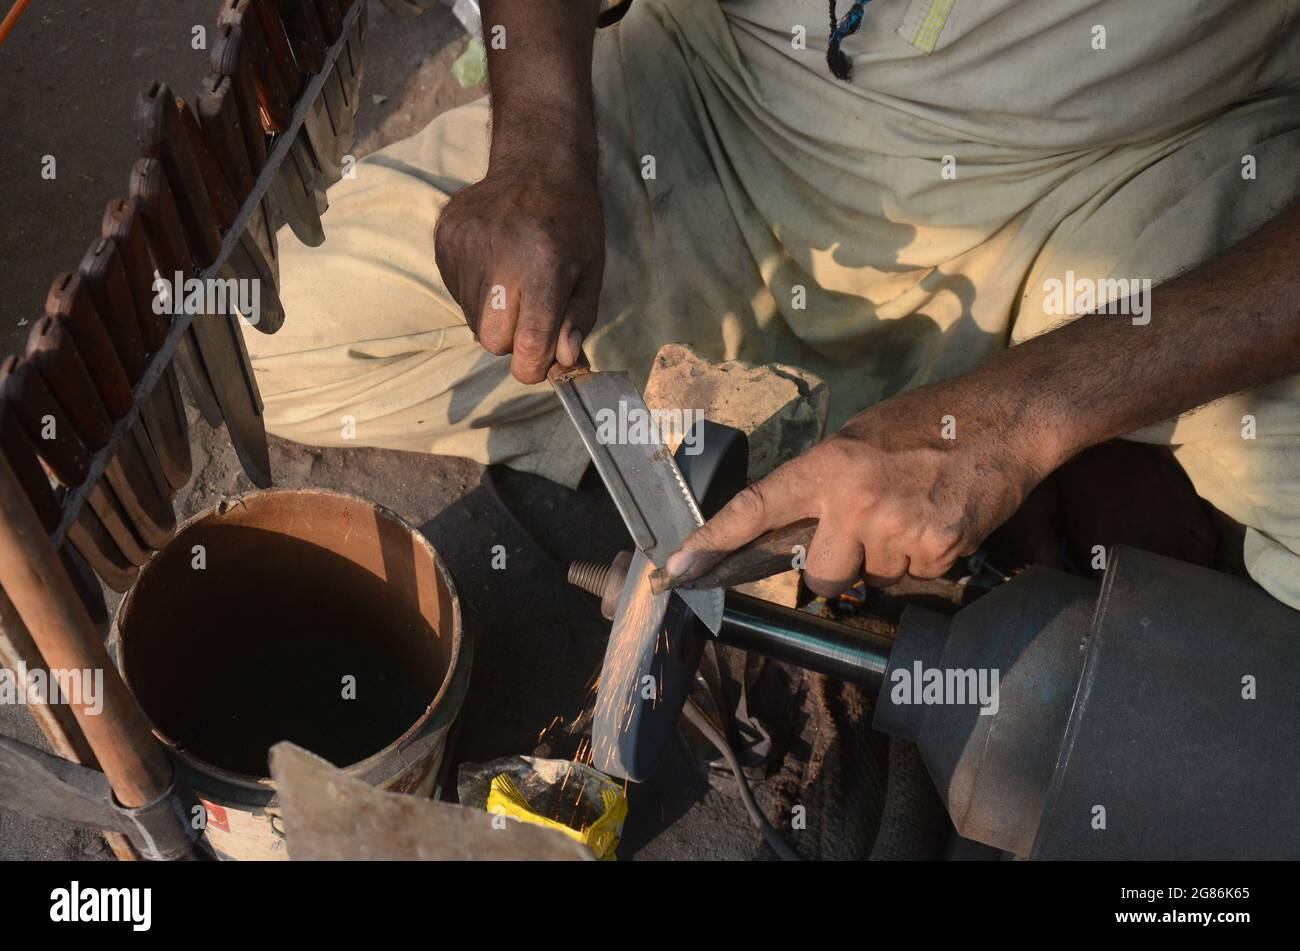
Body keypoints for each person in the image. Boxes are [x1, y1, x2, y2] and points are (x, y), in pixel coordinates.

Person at [246, 0, 1300, 607]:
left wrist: (1025, 420)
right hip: (722, 104)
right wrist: (538, 146)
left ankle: (1010, 466)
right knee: (254, 338)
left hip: (1101, 188)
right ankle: (845, 471)